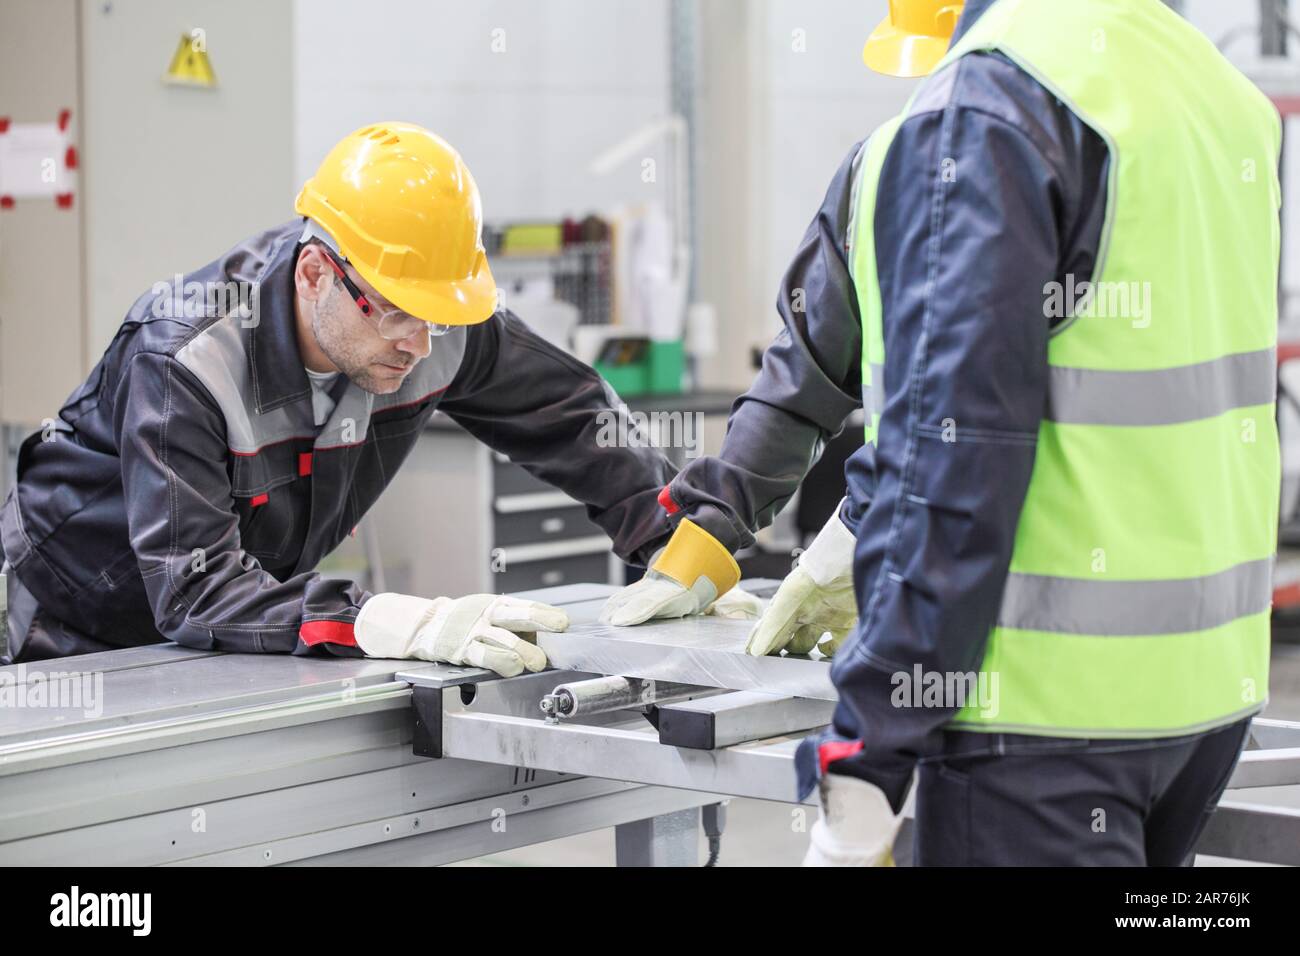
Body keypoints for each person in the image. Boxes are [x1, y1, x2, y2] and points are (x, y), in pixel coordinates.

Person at [605, 0, 1282, 866]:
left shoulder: (987, 114)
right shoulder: (1216, 93)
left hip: (1040, 718)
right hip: (1207, 700)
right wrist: (716, 528)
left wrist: (864, 761)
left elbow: (954, 464)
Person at [0, 122, 675, 675]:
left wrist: (675, 546)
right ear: (316, 273)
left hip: (229, 625)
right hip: (68, 622)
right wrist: (384, 619)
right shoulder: (188, 357)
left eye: (436, 317)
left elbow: (575, 416)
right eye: (395, 314)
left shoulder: (436, 325)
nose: (418, 344)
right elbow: (196, 588)